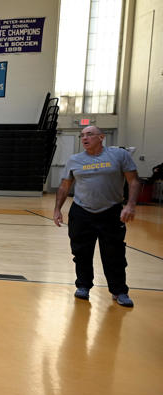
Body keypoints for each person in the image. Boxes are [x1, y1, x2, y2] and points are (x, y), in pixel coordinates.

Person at [53, 126, 140, 307]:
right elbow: (64, 185)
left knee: (114, 253)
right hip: (81, 212)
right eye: (82, 135)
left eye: (89, 134)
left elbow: (133, 181)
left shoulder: (119, 155)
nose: (85, 138)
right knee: (81, 252)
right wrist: (57, 209)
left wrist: (130, 205)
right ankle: (83, 286)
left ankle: (119, 290)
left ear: (101, 137)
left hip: (111, 211)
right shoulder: (75, 160)